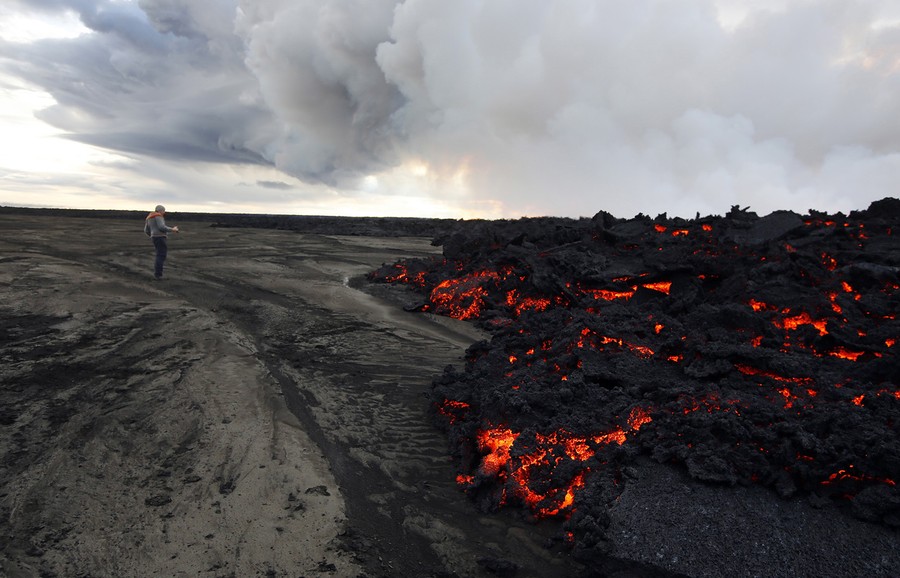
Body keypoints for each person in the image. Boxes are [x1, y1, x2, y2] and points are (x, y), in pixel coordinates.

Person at [144, 205, 179, 279]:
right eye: (163, 211)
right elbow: (162, 227)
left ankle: (158, 274)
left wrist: (152, 235)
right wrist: (173, 229)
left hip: (155, 237)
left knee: (159, 254)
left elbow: (146, 230)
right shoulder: (158, 216)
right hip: (160, 237)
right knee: (161, 255)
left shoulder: (149, 217)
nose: (164, 212)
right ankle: (158, 275)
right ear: (160, 210)